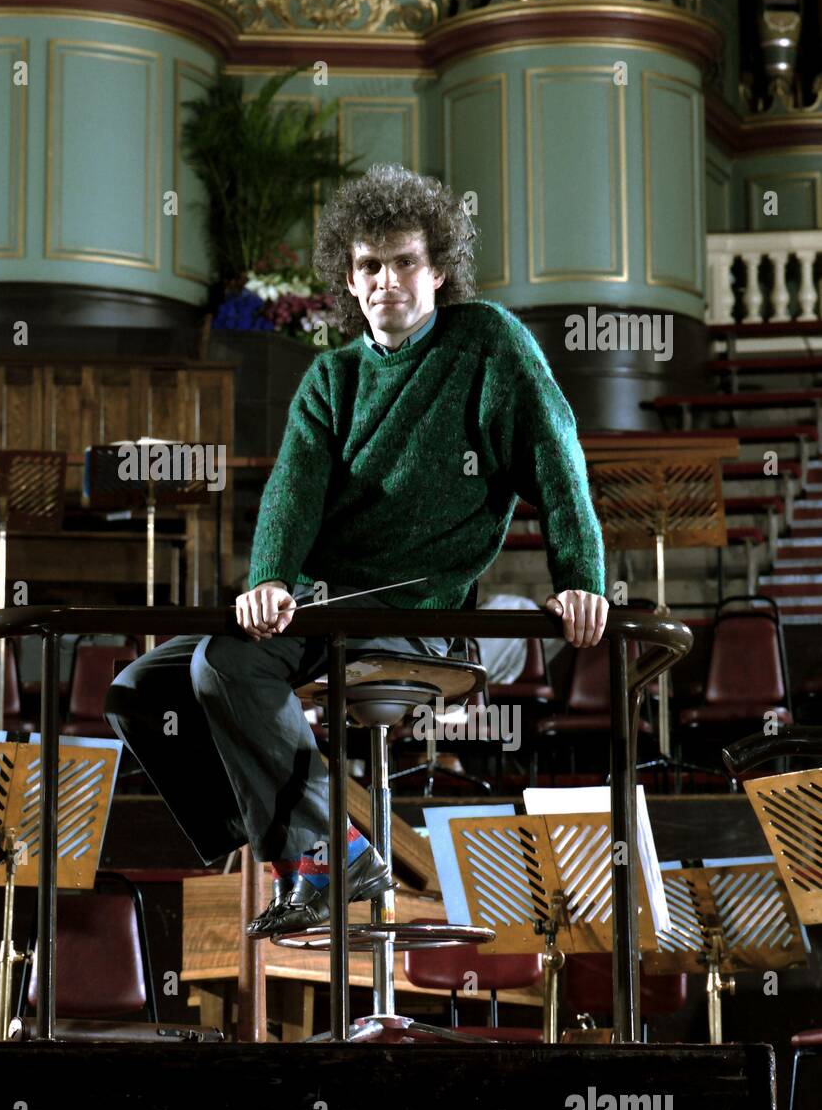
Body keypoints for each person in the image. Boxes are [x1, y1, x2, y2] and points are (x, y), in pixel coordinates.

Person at [105, 162, 608, 939]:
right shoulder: (332, 376)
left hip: (417, 611)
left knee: (224, 663)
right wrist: (269, 578)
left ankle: (313, 850)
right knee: (140, 689)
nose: (387, 281)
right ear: (349, 276)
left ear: (439, 268)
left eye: (405, 261)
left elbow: (558, 459)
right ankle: (311, 846)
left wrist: (582, 580)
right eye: (369, 265)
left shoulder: (490, 345)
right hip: (321, 603)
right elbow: (291, 493)